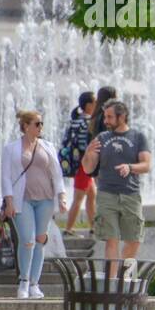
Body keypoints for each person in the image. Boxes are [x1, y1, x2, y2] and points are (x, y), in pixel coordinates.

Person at [0, 110, 67, 299]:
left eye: (41, 123)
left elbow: (56, 173)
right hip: (23, 200)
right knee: (27, 240)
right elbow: (5, 177)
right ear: (26, 126)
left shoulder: (47, 146)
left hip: (45, 200)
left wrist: (61, 197)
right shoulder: (11, 148)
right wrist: (9, 201)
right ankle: (24, 281)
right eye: (37, 124)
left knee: (39, 240)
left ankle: (35, 284)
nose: (41, 127)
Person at [81, 99, 152, 269]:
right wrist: (88, 154)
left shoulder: (138, 137)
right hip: (106, 195)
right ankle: (113, 283)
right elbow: (87, 168)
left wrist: (130, 167)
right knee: (111, 240)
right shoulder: (102, 138)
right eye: (105, 117)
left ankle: (122, 272)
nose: (105, 121)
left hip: (130, 194)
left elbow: (146, 165)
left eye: (110, 117)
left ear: (122, 117)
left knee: (135, 240)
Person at [62, 91, 97, 235]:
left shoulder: (74, 120)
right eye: (95, 103)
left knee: (91, 194)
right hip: (84, 164)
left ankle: (94, 227)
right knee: (78, 197)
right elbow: (86, 145)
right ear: (89, 105)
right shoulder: (88, 121)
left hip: (76, 163)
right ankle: (68, 228)